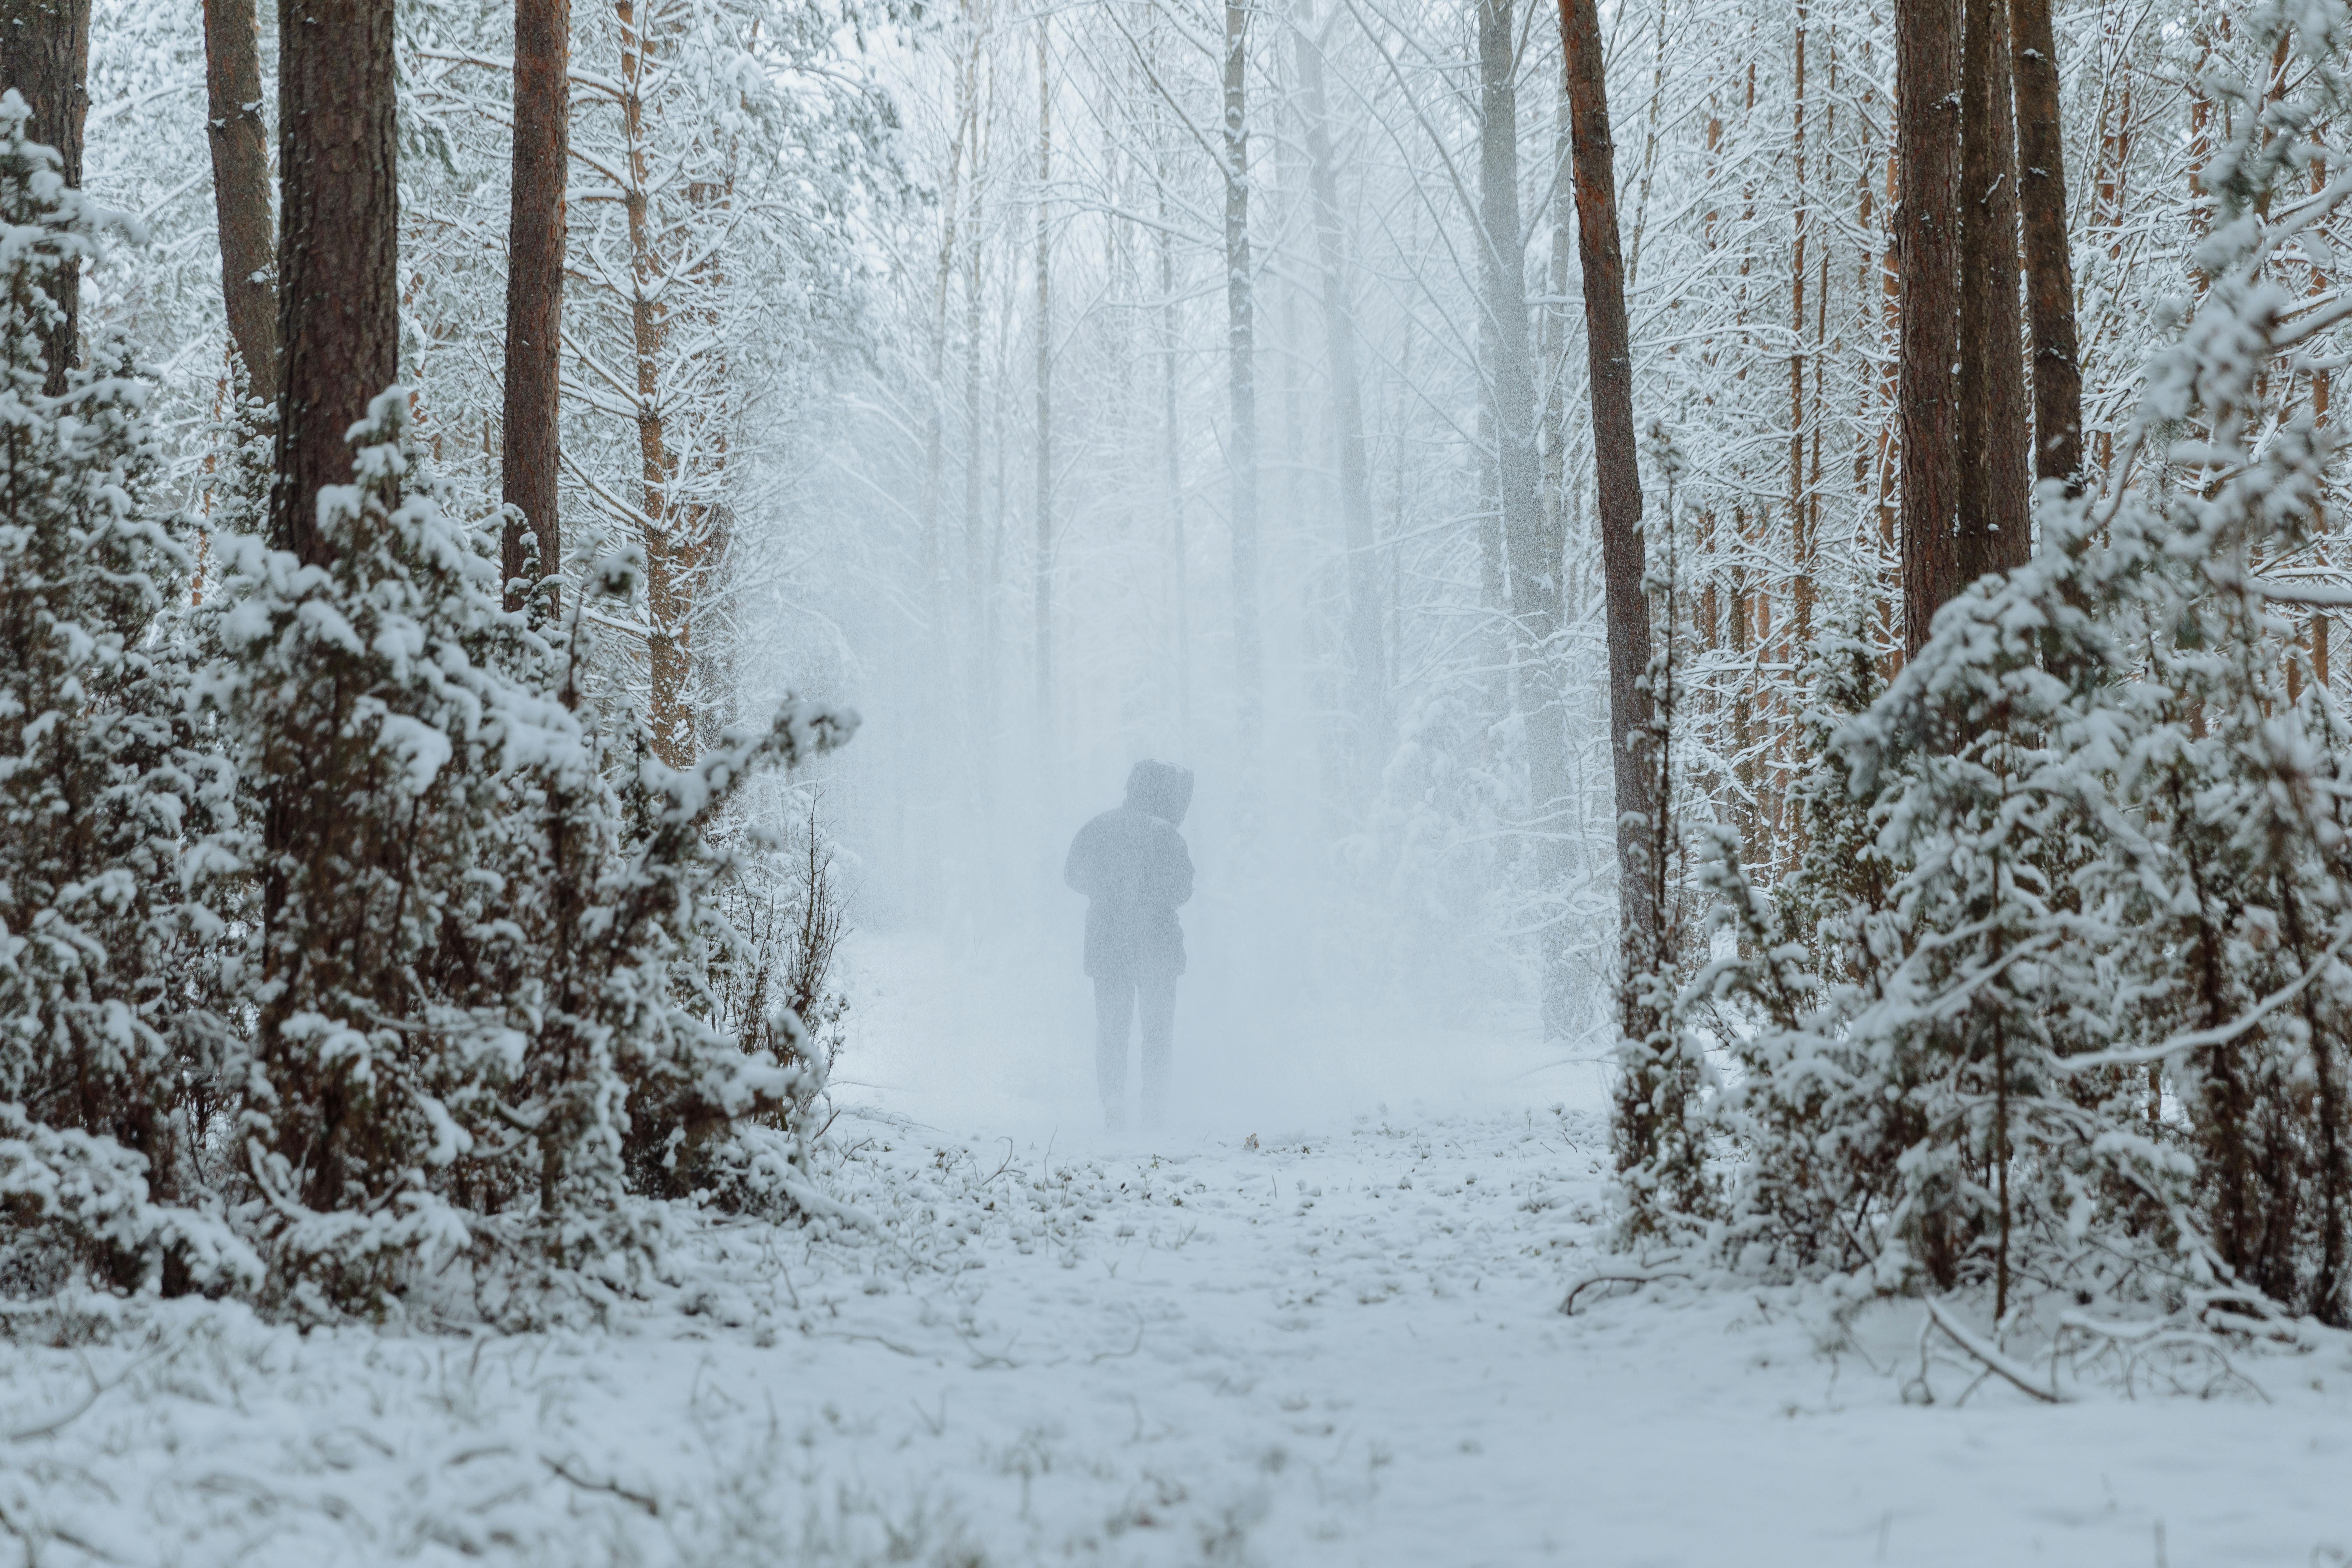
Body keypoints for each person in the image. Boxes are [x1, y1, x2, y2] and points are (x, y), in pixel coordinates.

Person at [1063, 760, 1195, 1129]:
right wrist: (1152, 898)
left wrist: (1107, 892)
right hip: (1159, 946)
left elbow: (1071, 874)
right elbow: (1184, 888)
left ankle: (1114, 1099)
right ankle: (1154, 1106)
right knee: (1157, 1032)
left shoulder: (1098, 827)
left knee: (1111, 1029)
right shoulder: (1166, 834)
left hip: (1107, 947)